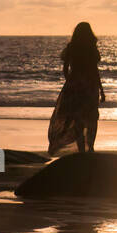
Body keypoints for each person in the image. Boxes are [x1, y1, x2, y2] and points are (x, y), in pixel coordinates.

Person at [47, 21, 105, 154]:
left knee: (77, 118)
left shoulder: (72, 47)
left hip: (76, 86)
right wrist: (101, 90)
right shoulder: (91, 48)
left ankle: (81, 149)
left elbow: (65, 68)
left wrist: (70, 82)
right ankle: (90, 146)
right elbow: (95, 71)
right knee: (91, 117)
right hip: (90, 86)